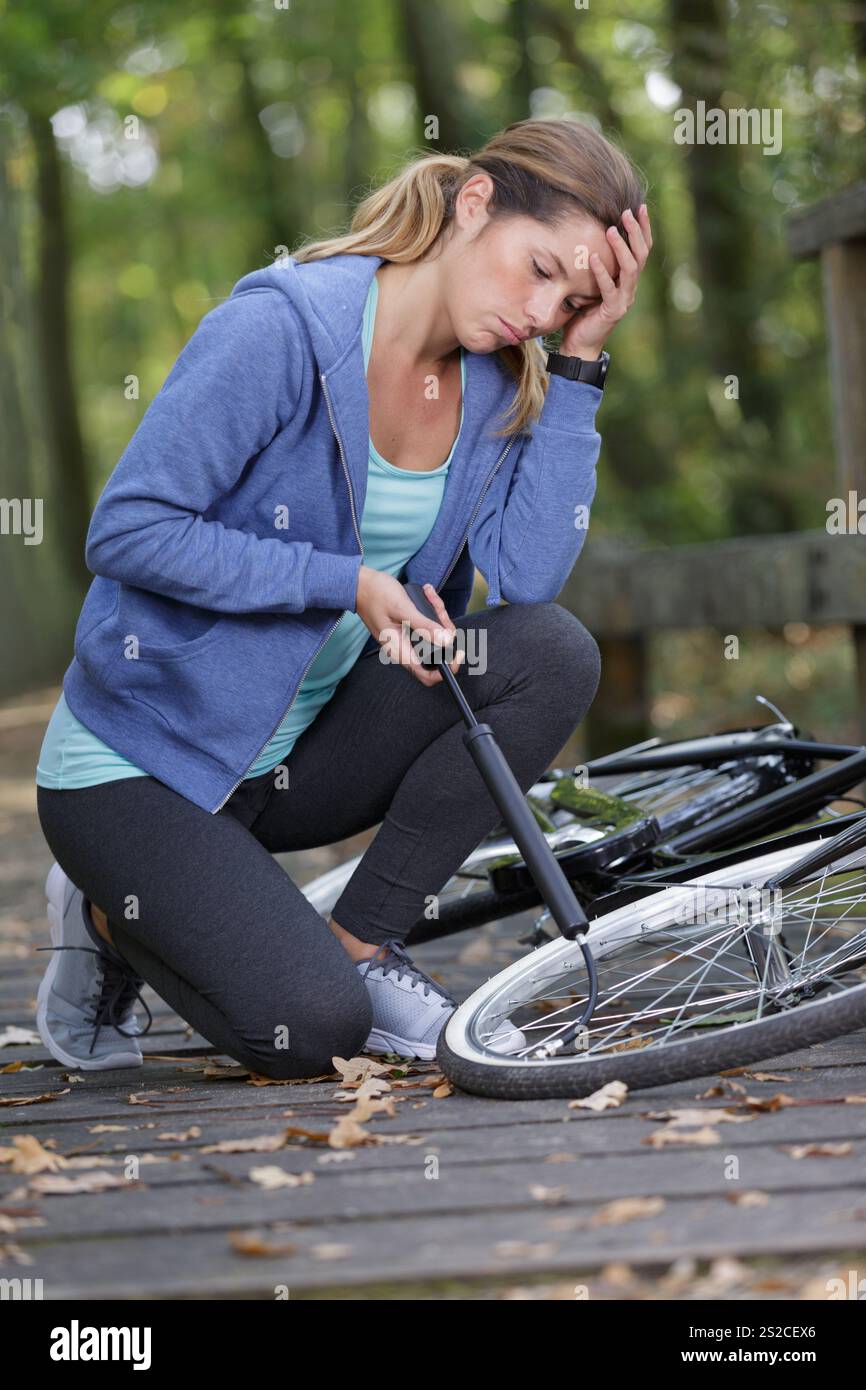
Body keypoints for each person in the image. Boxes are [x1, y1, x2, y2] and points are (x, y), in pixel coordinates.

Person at [33, 116, 651, 1078]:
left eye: (569, 298)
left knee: (550, 650)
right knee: (309, 1032)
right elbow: (129, 530)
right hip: (140, 766)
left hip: (291, 765)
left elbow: (528, 582)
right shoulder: (281, 330)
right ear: (474, 202)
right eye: (538, 270)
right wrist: (344, 584)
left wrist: (578, 367)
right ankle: (108, 911)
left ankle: (362, 946)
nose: (542, 310)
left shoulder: (496, 385)